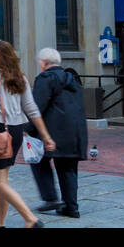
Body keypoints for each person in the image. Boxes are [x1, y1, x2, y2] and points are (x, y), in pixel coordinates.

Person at [0, 40, 54, 228]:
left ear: (0, 56)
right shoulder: (20, 77)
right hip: (16, 130)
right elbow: (31, 109)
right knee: (3, 179)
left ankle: (30, 219)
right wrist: (45, 135)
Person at [30, 48, 88, 219]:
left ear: (43, 63)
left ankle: (50, 198)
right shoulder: (73, 79)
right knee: (68, 168)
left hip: (53, 131)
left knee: (38, 160)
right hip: (75, 132)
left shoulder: (45, 78)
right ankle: (71, 207)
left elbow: (37, 107)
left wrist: (27, 128)